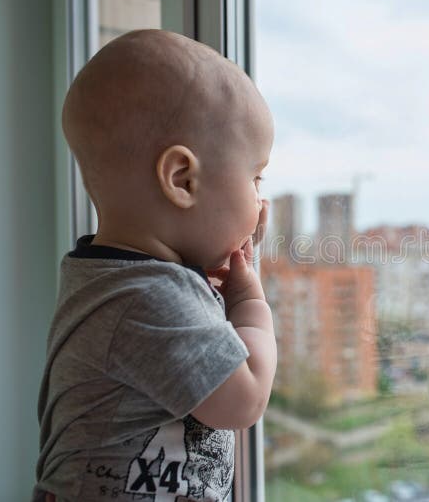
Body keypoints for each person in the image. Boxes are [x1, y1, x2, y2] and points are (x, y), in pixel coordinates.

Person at [31, 29, 277, 502]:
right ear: (181, 179)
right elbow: (244, 399)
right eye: (255, 177)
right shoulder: (148, 298)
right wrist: (250, 302)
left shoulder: (118, 280)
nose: (261, 201)